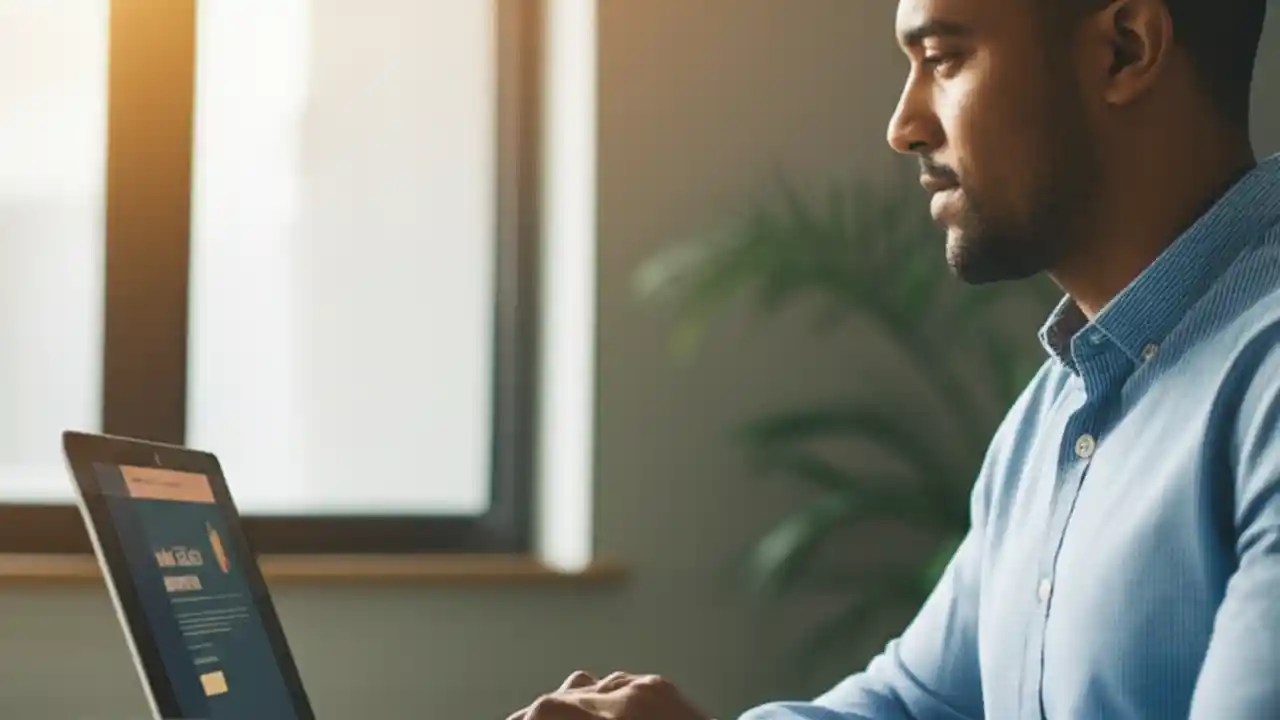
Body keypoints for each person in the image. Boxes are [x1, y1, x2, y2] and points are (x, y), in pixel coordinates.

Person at [505, 0, 1278, 717]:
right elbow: (916, 703)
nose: (904, 125)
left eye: (943, 59)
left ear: (1124, 50)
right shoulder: (1055, 413)